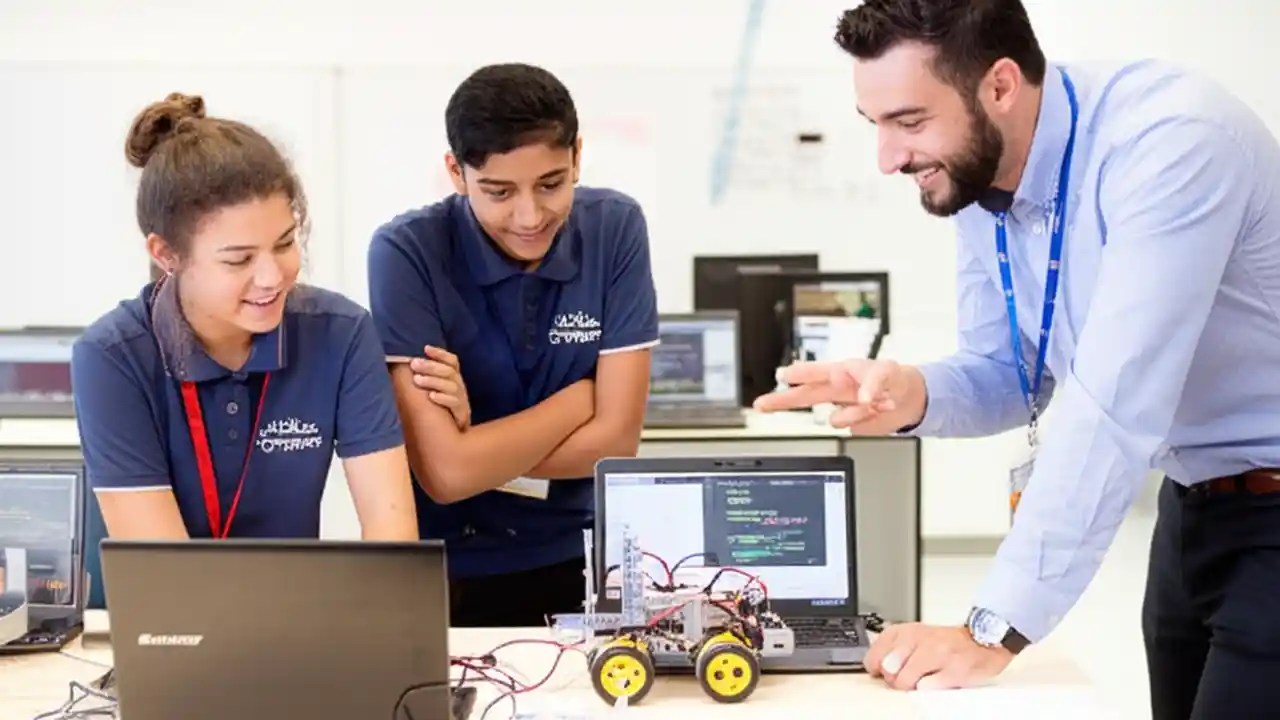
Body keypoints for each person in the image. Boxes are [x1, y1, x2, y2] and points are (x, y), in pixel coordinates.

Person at [754, 2, 1280, 717]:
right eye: (873, 124)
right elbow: (1013, 374)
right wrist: (913, 392)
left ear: (999, 85)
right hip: (1189, 508)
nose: (888, 157)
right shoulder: (978, 176)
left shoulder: (1171, 142)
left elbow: (1112, 405)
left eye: (909, 122)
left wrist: (991, 629)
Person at [367, 63, 658, 627]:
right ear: (456, 171)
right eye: (499, 192)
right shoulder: (406, 252)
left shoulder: (616, 227)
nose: (530, 216)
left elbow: (616, 443)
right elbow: (444, 475)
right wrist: (578, 402)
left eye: (551, 183)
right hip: (450, 566)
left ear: (577, 156)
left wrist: (474, 444)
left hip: (579, 556)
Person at [71, 93, 418, 544]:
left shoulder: (342, 334)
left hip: (304, 610)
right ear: (166, 254)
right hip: (177, 613)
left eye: (284, 244)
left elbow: (392, 533)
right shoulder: (112, 357)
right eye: (238, 261)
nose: (273, 277)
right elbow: (162, 572)